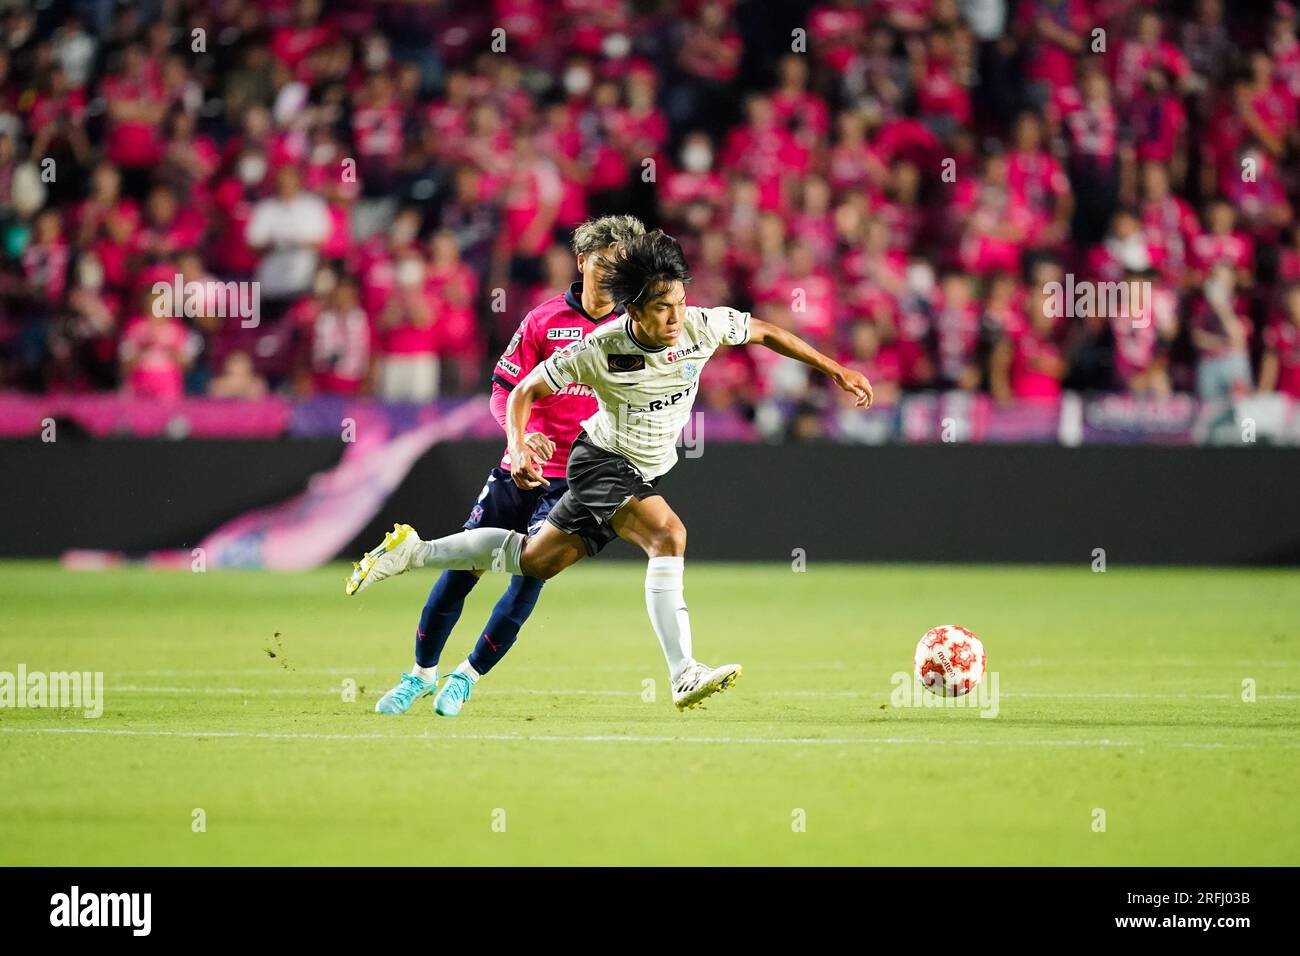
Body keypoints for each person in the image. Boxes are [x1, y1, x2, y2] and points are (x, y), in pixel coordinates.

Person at [348, 231, 874, 711]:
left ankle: (413, 552)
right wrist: (518, 441)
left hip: (641, 471)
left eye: (680, 304)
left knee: (533, 563)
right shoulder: (600, 348)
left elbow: (762, 331)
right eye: (662, 309)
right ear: (634, 311)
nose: (675, 318)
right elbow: (524, 389)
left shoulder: (701, 326)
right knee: (668, 535)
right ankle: (683, 672)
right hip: (601, 462)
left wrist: (837, 369)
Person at [368, 215, 646, 717]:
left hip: (576, 481)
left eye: (620, 266)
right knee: (463, 569)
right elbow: (503, 389)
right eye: (603, 263)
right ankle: (420, 675)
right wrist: (519, 441)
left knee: (528, 576)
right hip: (521, 468)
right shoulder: (542, 321)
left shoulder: (632, 330)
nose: (611, 275)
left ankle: (465, 677)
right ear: (582, 263)